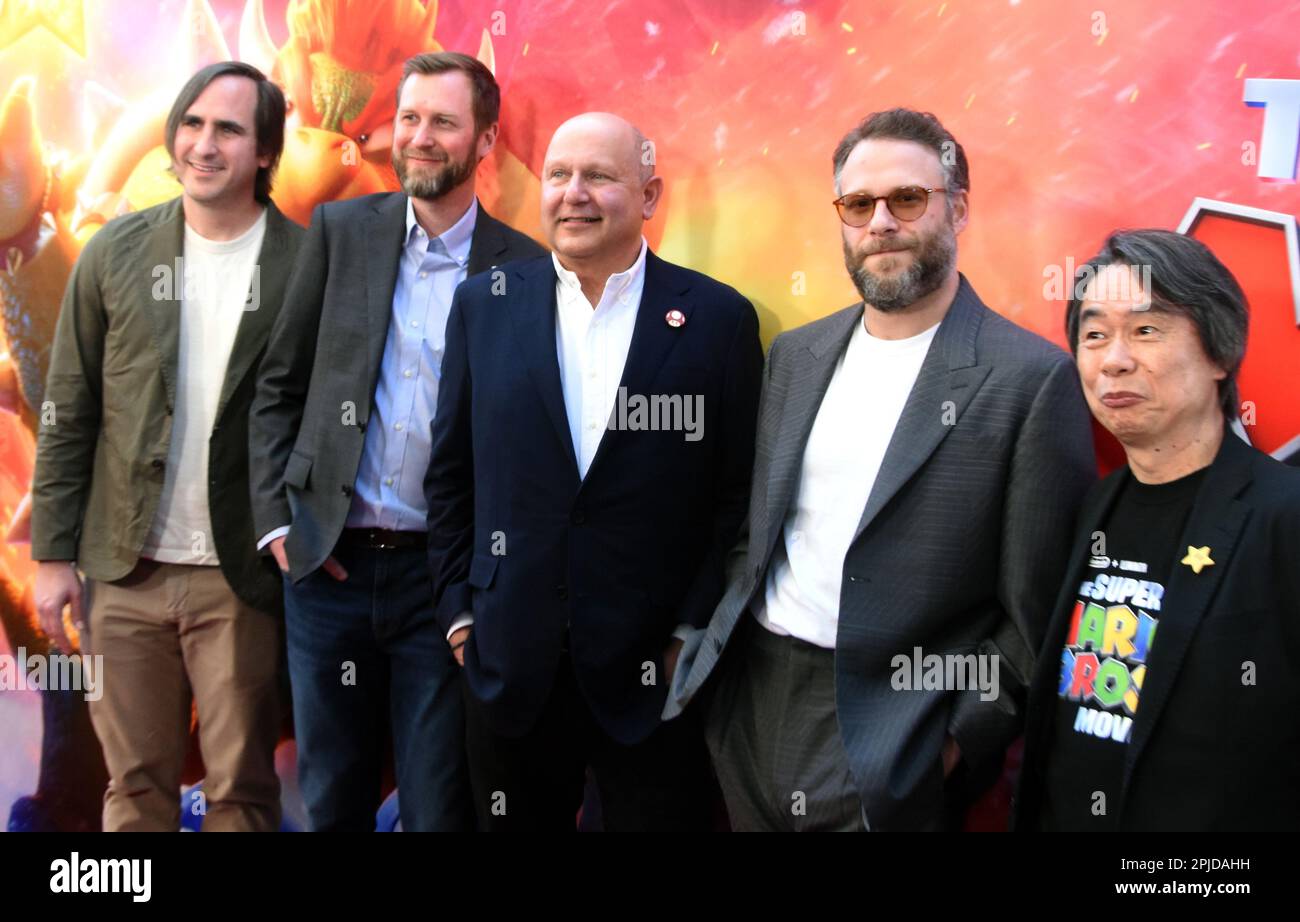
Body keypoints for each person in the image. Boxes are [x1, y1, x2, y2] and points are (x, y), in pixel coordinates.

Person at [666, 108, 1096, 831]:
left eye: (907, 199)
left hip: (894, 727)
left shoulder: (1032, 380)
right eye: (858, 205)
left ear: (957, 208)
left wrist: (950, 745)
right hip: (751, 700)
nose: (880, 223)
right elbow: (759, 530)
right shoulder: (797, 357)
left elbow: (1036, 615)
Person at [425, 111, 763, 830]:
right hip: (508, 665)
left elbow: (737, 497)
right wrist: (459, 613)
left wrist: (690, 628)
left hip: (653, 680)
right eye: (558, 175)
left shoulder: (717, 320)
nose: (572, 193)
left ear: (648, 195)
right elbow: (451, 473)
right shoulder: (484, 306)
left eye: (599, 176)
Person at [249, 51, 543, 831]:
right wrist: (281, 525)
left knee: (437, 803)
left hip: (440, 587)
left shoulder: (528, 271)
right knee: (331, 796)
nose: (419, 136)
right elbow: (278, 386)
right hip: (328, 571)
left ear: (484, 141)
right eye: (409, 118)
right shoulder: (342, 231)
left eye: (443, 121)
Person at [31, 61, 301, 831]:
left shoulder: (306, 264)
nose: (203, 144)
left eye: (227, 129)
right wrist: (53, 556)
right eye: (190, 124)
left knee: (242, 793)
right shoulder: (114, 253)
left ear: (264, 153)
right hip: (124, 570)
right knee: (134, 791)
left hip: (241, 577)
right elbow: (68, 408)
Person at [1015, 229, 1300, 831]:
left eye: (1145, 330)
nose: (1113, 359)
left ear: (1221, 353)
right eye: (1094, 335)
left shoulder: (1282, 514)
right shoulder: (1093, 507)